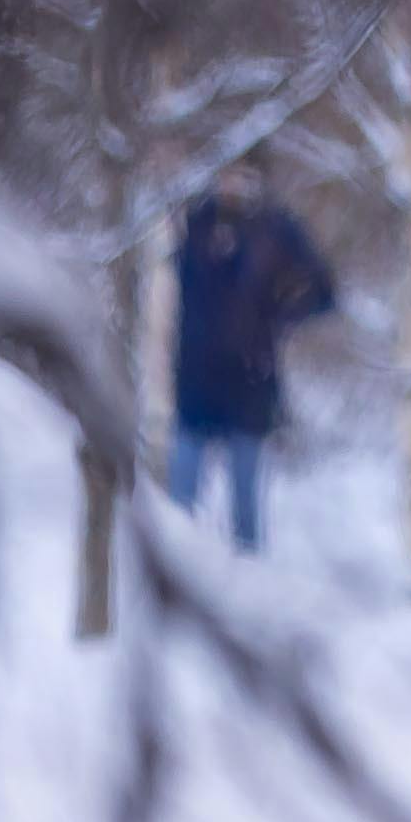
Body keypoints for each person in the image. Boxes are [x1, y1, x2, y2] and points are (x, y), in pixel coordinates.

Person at [168, 151, 341, 553]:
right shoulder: (197, 223)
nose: (236, 185)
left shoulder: (276, 230)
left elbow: (324, 291)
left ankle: (246, 590)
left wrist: (281, 313)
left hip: (249, 383)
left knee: (245, 508)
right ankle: (177, 587)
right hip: (195, 382)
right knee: (180, 503)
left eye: (246, 176)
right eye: (229, 174)